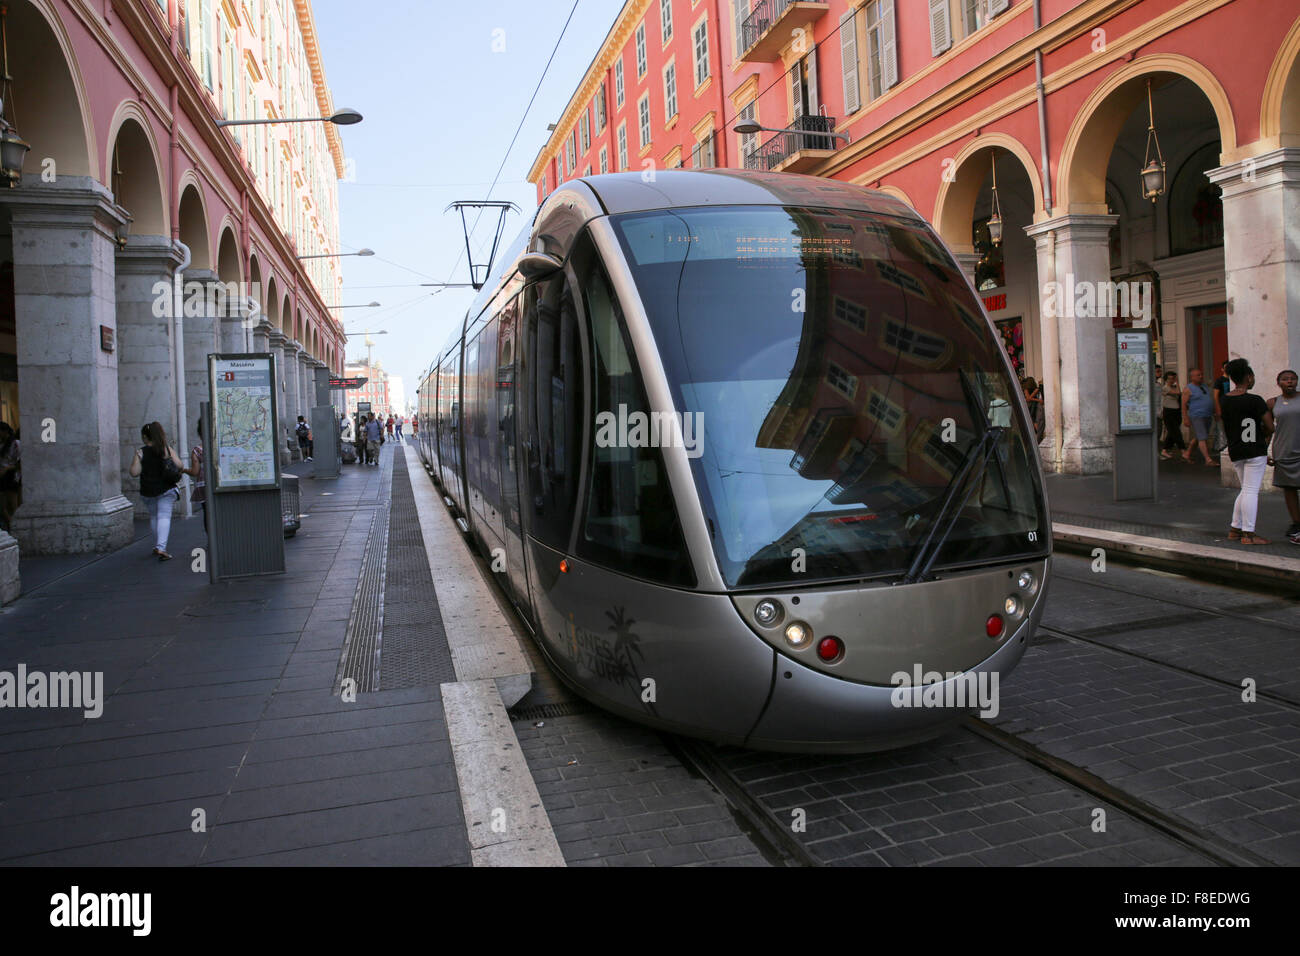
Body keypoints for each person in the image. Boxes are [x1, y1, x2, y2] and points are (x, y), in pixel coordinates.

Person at [1221, 359, 1274, 546]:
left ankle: (1235, 529)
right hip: (1255, 448)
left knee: (1245, 490)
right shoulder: (1255, 400)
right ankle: (1248, 534)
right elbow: (1269, 426)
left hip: (1236, 449)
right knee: (1251, 491)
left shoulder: (1225, 400)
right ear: (1248, 377)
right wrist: (1265, 439)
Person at [129, 421, 185, 560]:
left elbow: (134, 472)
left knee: (154, 517)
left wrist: (138, 457)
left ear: (144, 437)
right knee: (164, 516)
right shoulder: (166, 449)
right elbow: (180, 465)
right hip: (166, 489)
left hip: (148, 491)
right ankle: (161, 547)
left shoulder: (141, 452)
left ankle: (158, 545)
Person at [1266, 369, 1300, 544]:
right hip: (1283, 451)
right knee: (1289, 489)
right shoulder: (1272, 403)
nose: (1290, 382)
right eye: (1285, 379)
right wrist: (1264, 452)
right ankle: (1296, 523)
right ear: (1278, 383)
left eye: (1293, 379)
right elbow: (1266, 430)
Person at [1181, 368, 1217, 466]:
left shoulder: (1204, 386)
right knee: (1202, 437)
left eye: (1201, 374)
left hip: (1207, 415)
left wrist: (1214, 411)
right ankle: (1208, 459)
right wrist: (1185, 418)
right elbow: (1183, 405)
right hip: (1197, 415)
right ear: (1192, 377)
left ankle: (1187, 454)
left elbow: (1209, 399)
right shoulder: (1188, 388)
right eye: (1198, 375)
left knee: (1199, 436)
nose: (1201, 376)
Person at [186, 416, 208, 534]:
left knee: (207, 514)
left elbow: (195, 472)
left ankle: (211, 538)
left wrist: (183, 470)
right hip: (221, 482)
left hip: (204, 486)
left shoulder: (197, 450)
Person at [1159, 371, 1187, 460]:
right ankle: (1183, 450)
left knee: (1172, 432)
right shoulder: (1165, 388)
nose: (1171, 380)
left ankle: (1164, 450)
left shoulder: (1174, 387)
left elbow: (1180, 394)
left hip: (1176, 411)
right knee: (1176, 432)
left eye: (1173, 378)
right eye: (1170, 379)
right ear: (1166, 379)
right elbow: (1178, 393)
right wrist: (1177, 383)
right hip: (1168, 412)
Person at [0, 422, 20, 533]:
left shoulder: (15, 444)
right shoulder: (2, 445)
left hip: (11, 476)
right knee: (3, 507)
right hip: (3, 476)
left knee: (12, 505)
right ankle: (12, 526)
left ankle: (16, 528)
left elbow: (20, 462)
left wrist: (7, 469)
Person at [1211, 360, 1233, 454]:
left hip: (1232, 407)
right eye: (1226, 367)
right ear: (1222, 369)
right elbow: (1215, 396)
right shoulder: (1219, 381)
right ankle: (1221, 446)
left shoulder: (1233, 380)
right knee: (1222, 428)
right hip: (1223, 407)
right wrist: (1218, 409)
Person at [1021, 377, 1045, 443]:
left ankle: (1036, 437)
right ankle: (1038, 436)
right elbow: (1030, 398)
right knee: (1035, 420)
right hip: (1035, 405)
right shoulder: (1035, 388)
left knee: (1033, 420)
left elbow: (1028, 398)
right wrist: (1038, 400)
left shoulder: (1026, 389)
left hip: (1031, 405)